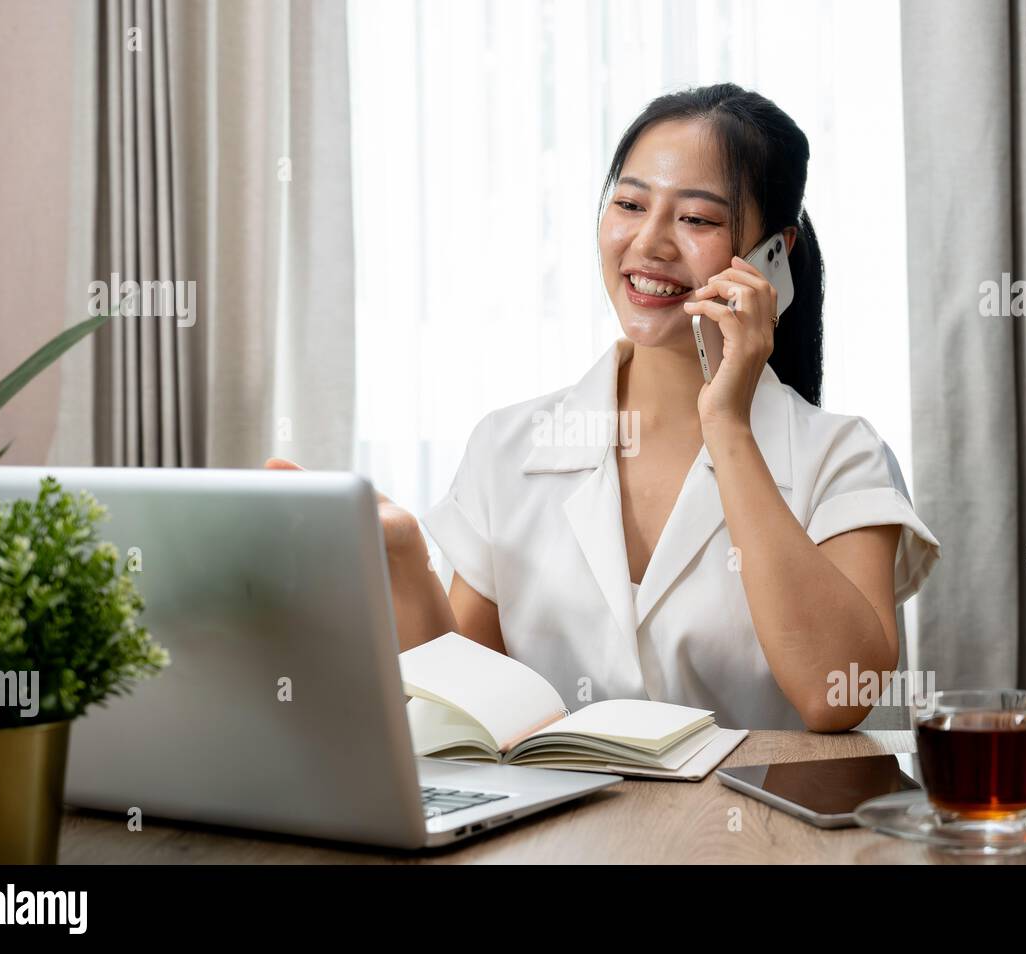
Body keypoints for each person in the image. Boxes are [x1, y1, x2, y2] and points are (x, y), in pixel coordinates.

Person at [269, 83, 940, 732]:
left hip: (764, 843)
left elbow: (835, 693)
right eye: (629, 204)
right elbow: (469, 716)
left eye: (696, 219)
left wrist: (727, 423)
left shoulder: (842, 456)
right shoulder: (508, 446)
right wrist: (402, 557)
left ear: (772, 256)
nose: (649, 243)